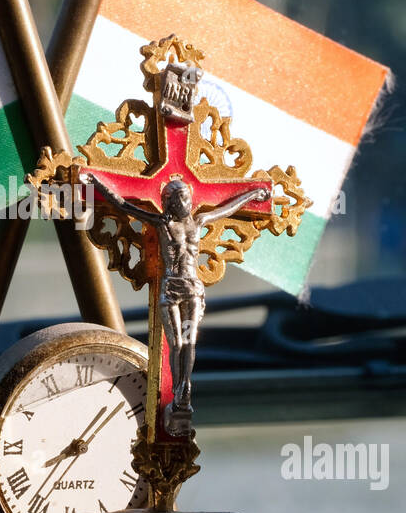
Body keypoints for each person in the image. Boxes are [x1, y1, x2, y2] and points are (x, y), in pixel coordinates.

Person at [81, 172, 272, 434]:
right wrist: (96, 184)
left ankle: (184, 389)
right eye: (181, 197)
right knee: (176, 343)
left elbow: (228, 208)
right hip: (171, 288)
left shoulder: (199, 221)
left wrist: (254, 194)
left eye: (188, 197)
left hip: (192, 288)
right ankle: (178, 390)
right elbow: (123, 206)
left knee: (189, 340)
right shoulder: (161, 224)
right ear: (170, 201)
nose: (187, 202)